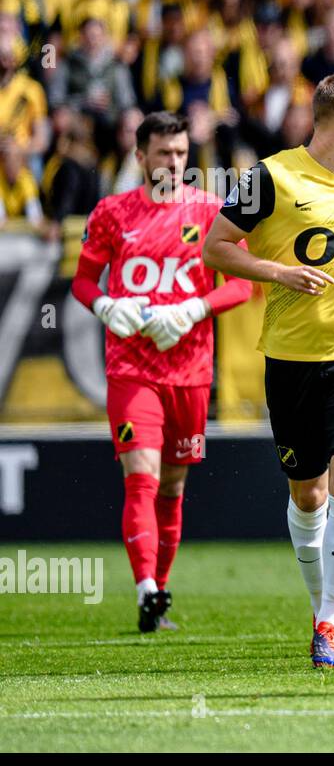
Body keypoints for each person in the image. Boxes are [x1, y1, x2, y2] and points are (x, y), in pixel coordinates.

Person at [203, 72, 334, 669]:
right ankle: (323, 610)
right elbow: (216, 247)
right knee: (308, 494)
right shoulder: (271, 177)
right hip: (290, 356)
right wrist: (278, 272)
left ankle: (331, 624)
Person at [73, 111, 252, 633]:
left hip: (191, 370)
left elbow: (241, 285)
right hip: (131, 367)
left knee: (172, 488)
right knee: (141, 479)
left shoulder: (212, 211)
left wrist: (194, 309)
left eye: (180, 154)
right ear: (140, 157)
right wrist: (106, 306)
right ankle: (146, 588)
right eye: (163, 154)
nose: (173, 163)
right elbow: (83, 281)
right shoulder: (111, 213)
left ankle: (160, 589)